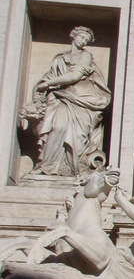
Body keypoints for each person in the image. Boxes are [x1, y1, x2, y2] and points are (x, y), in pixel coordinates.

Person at [25, 167, 134, 279]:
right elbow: (60, 263)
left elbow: (100, 263)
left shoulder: (92, 230)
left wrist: (64, 233)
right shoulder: (80, 204)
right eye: (97, 175)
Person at [28, 26, 112, 177]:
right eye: (82, 37)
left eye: (86, 40)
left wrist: (47, 84)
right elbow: (51, 75)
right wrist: (43, 86)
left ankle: (71, 168)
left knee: (78, 136)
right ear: (73, 36)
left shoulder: (86, 56)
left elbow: (74, 76)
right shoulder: (60, 57)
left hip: (81, 99)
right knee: (57, 128)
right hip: (61, 97)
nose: (83, 41)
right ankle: (48, 165)